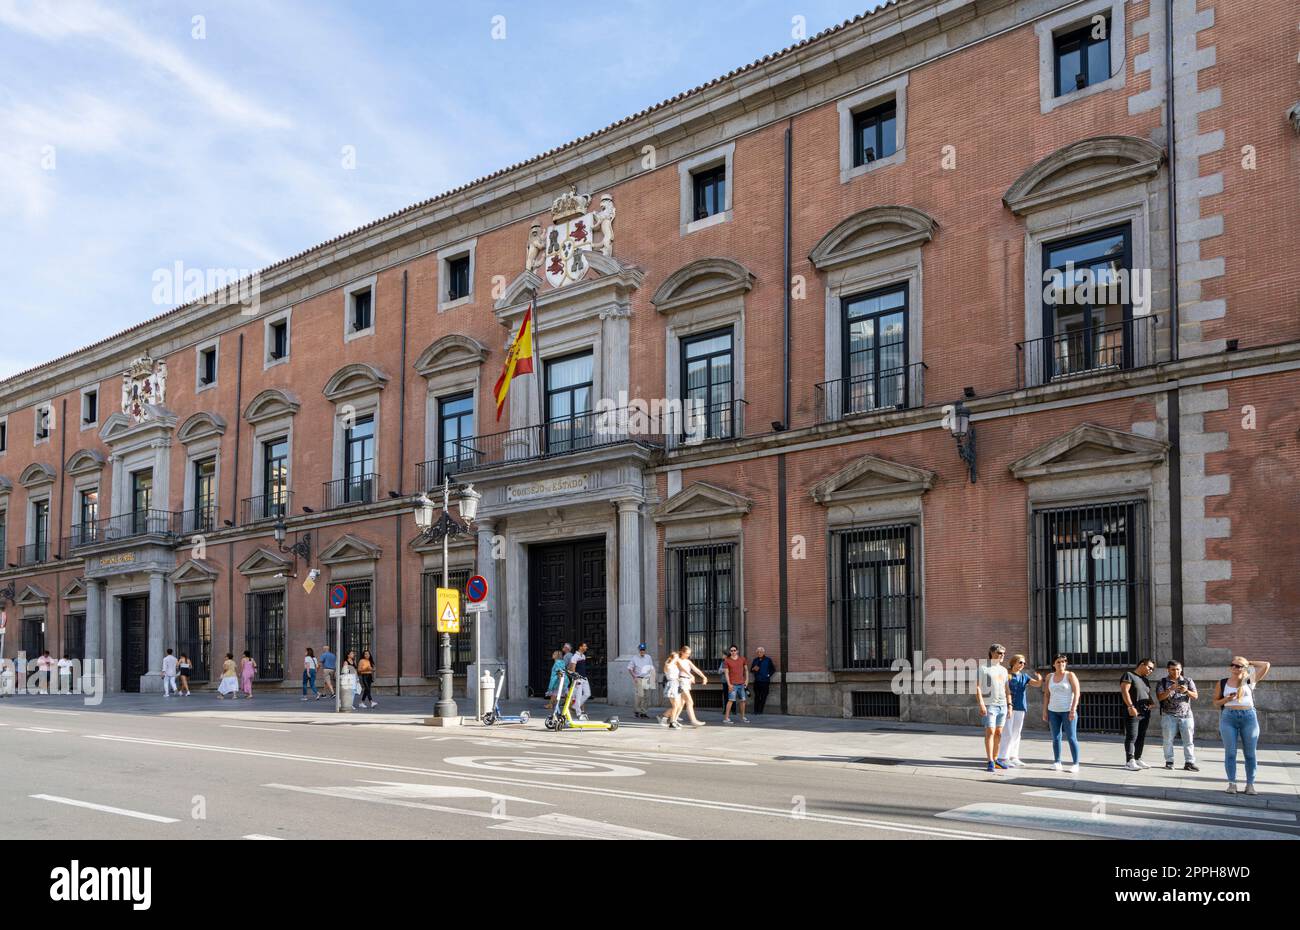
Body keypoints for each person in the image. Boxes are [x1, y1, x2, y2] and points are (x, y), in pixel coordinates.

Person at [1214, 655, 1271, 795]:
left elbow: (1266, 665)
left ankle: (1250, 785)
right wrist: (1226, 699)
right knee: (1230, 753)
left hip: (1249, 718)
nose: (1234, 667)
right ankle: (1232, 784)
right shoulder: (1222, 683)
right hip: (1228, 717)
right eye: (1232, 664)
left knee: (1250, 754)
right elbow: (1215, 702)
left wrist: (1249, 662)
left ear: (1244, 668)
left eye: (1238, 666)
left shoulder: (1250, 680)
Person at [1000, 654, 1042, 767]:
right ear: (1013, 662)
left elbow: (1037, 684)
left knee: (1016, 733)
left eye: (1024, 663)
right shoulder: (1007, 675)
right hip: (1008, 706)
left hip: (1020, 707)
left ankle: (1014, 757)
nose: (1022, 665)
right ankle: (1003, 757)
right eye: (1020, 662)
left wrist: (1040, 679)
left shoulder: (1025, 676)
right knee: (1007, 732)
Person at [1041, 654, 1081, 773]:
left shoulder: (1070, 675)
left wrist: (1073, 709)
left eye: (1063, 662)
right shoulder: (1049, 676)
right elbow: (1047, 695)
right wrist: (1045, 710)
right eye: (1058, 662)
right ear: (1054, 664)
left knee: (1071, 737)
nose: (1061, 664)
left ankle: (1075, 764)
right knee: (1055, 737)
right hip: (1053, 711)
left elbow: (1077, 693)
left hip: (1068, 711)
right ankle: (1057, 762)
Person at [1157, 660, 1198, 771]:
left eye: (1178, 669)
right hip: (1168, 715)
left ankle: (1189, 762)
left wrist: (1186, 691)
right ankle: (1169, 762)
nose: (1176, 671)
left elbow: (1195, 696)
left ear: (1181, 669)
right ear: (1168, 670)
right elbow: (1160, 697)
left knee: (1188, 740)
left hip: (1186, 715)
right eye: (1173, 669)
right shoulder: (1163, 682)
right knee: (1168, 740)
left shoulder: (1187, 680)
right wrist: (1170, 689)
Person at [977, 643, 1011, 772]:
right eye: (999, 653)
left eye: (1003, 653)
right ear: (992, 653)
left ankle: (996, 760)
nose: (1002, 655)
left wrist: (1009, 705)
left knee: (999, 733)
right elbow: (977, 687)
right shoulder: (983, 668)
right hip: (989, 705)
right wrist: (981, 704)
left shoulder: (1003, 670)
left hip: (1003, 705)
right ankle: (990, 761)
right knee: (990, 732)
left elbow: (1007, 689)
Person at [1120, 658, 1156, 770]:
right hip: (1133, 711)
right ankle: (1129, 761)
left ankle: (1137, 758)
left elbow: (1146, 693)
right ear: (1141, 664)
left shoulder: (1145, 680)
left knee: (1141, 736)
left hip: (1145, 712)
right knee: (1132, 736)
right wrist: (1130, 706)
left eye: (1152, 669)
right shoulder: (1129, 675)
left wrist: (1151, 702)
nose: (1151, 670)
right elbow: (1124, 691)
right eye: (1149, 667)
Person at [675, 645, 708, 727]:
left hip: (687, 682)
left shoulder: (688, 661)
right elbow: (682, 669)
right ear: (682, 652)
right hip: (681, 682)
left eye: (689, 653)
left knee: (681, 704)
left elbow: (696, 669)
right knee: (690, 701)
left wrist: (704, 677)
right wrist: (691, 676)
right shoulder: (677, 660)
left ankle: (670, 719)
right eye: (687, 653)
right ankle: (693, 720)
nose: (688, 655)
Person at [722, 645, 749, 724]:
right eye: (731, 651)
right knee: (730, 700)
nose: (733, 652)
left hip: (741, 684)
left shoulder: (742, 659)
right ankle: (726, 718)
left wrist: (747, 680)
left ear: (737, 651)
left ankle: (742, 717)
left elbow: (746, 670)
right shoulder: (727, 660)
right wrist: (729, 684)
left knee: (743, 700)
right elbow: (726, 673)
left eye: (734, 650)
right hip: (733, 684)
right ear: (730, 652)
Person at [626, 644, 656, 718]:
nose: (642, 651)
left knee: (646, 696)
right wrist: (634, 677)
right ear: (639, 650)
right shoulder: (634, 658)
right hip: (639, 678)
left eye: (643, 650)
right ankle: (637, 711)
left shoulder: (648, 657)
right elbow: (629, 668)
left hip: (646, 678)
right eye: (641, 650)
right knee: (640, 695)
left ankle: (644, 712)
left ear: (645, 650)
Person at [658, 648, 683, 729]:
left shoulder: (675, 665)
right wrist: (673, 659)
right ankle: (671, 722)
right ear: (672, 658)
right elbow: (667, 668)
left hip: (676, 684)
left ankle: (668, 718)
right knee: (675, 705)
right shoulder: (668, 665)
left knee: (678, 705)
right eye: (676, 657)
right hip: (671, 685)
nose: (677, 658)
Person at [749, 647, 775, 714]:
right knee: (757, 696)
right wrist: (753, 669)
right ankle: (755, 711)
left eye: (760, 652)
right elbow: (751, 670)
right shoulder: (755, 660)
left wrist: (768, 675)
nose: (759, 653)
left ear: (763, 652)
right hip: (757, 681)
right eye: (758, 652)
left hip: (765, 681)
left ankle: (760, 711)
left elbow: (773, 669)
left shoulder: (768, 660)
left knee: (763, 696)